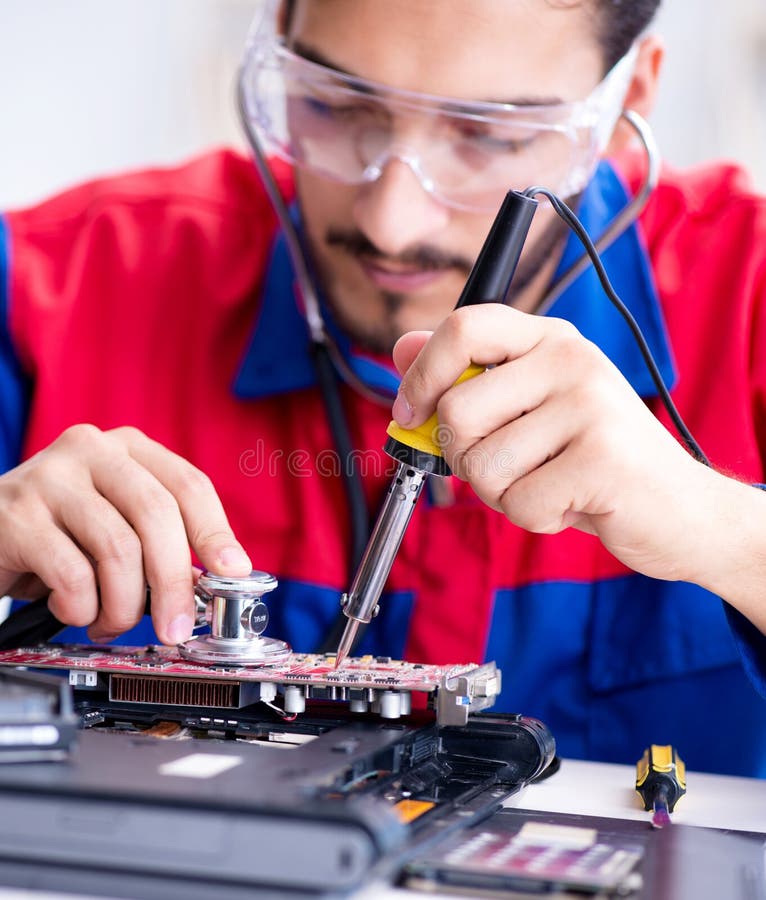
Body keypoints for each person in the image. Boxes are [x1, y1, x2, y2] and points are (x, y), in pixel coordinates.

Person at [1, 0, 766, 776]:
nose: (392, 223)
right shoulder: (42, 290)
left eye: (490, 133)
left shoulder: (751, 295)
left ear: (630, 92)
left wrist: (730, 535)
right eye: (334, 105)